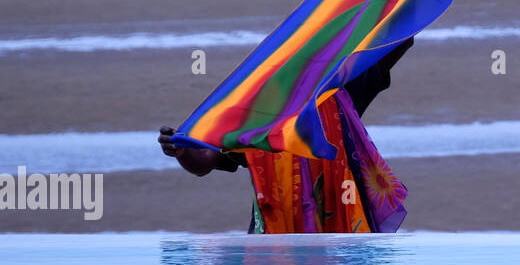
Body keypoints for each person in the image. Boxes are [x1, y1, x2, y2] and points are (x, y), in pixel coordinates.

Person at [159, 37, 414, 233]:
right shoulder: (255, 117)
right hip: (275, 244)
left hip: (338, 234)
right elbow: (205, 161)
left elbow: (399, 39)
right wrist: (182, 152)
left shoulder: (338, 92)